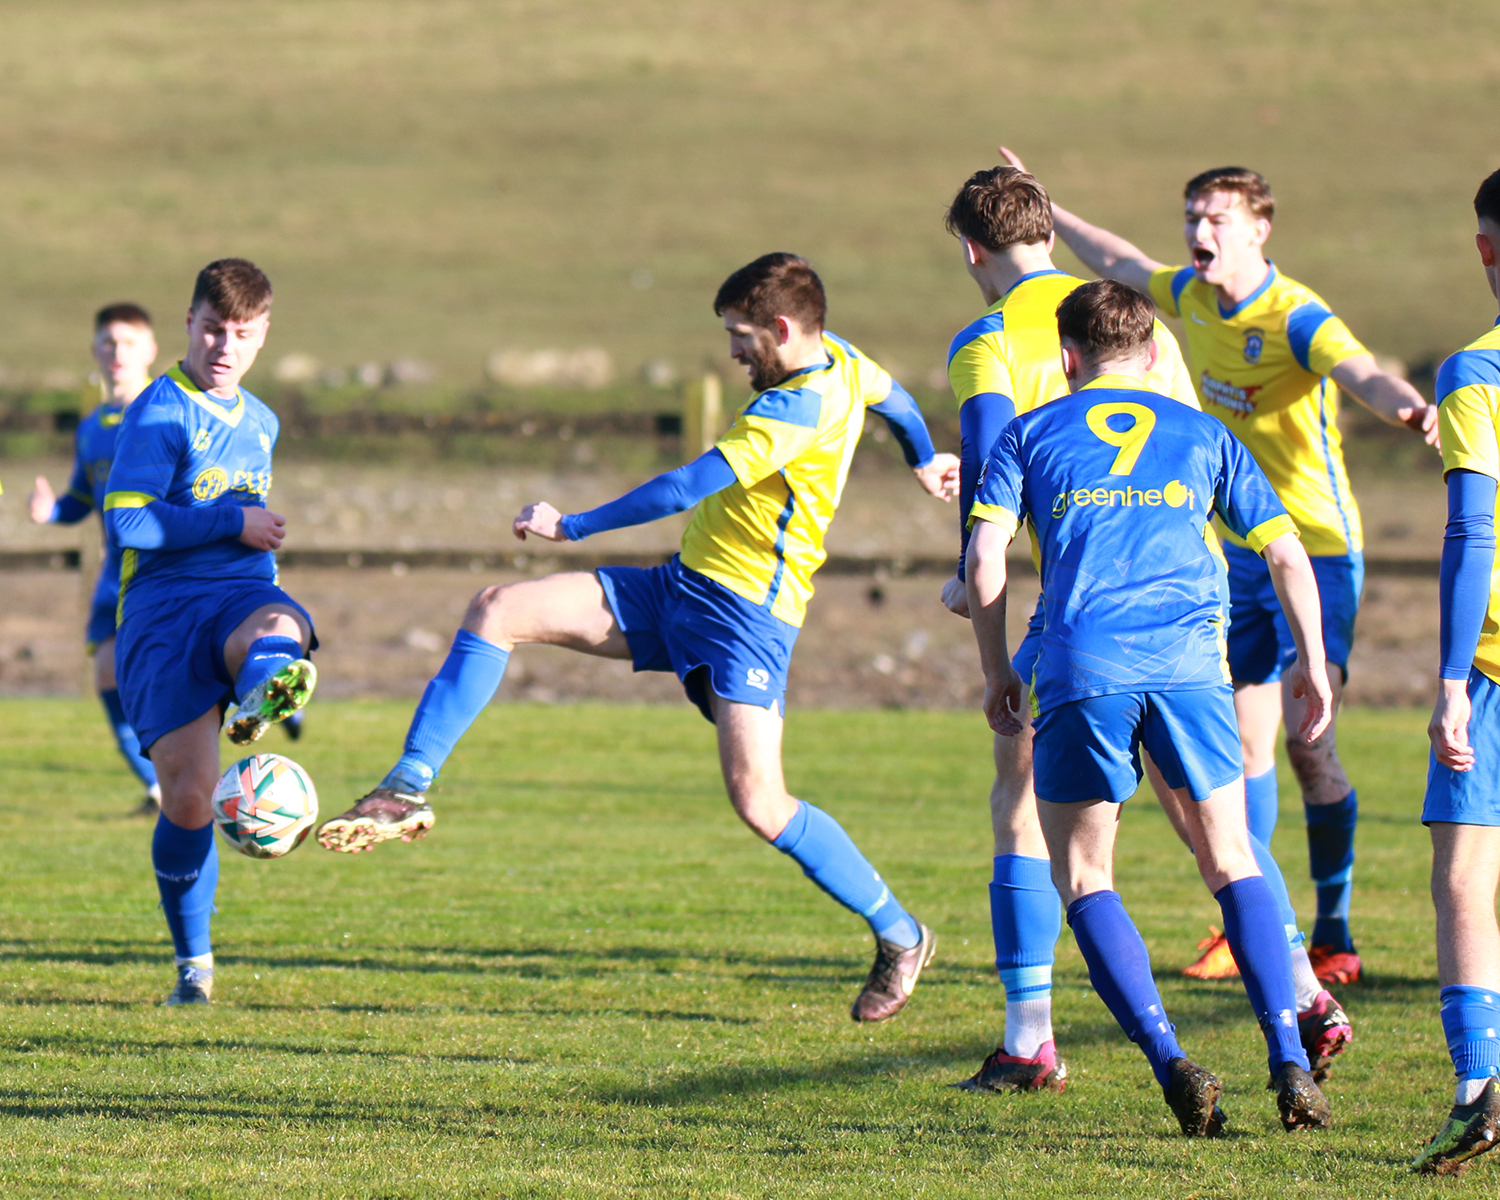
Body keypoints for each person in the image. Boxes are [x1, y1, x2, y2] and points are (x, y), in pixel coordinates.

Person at [317, 253, 959, 1022]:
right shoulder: (844, 357)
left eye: (741, 335)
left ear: (784, 330)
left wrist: (573, 524)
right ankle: (403, 789)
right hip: (680, 587)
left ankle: (901, 933)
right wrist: (923, 460)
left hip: (749, 619)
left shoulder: (797, 409)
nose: (731, 352)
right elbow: (899, 400)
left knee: (759, 801)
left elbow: (687, 484)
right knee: (497, 608)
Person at [940, 165, 1349, 1094]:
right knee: (1221, 837)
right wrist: (1308, 660)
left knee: (1041, 823)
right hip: (1188, 626)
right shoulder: (1161, 339)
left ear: (972, 249)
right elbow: (1217, 482)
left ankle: (1032, 1035)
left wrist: (977, 599)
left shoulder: (991, 343)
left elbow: (988, 507)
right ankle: (1298, 1009)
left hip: (1073, 628)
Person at [1003, 148, 1437, 987]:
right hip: (1225, 555)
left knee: (1311, 750)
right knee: (1245, 745)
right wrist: (1041, 206)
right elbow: (1117, 262)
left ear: (1260, 230)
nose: (1200, 231)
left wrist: (1406, 407)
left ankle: (1333, 929)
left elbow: (1361, 372)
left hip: (1311, 548)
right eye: (1192, 217)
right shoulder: (1187, 297)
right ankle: (1256, 926)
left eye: (1218, 219)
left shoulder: (1296, 315)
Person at [103, 258, 318, 1006]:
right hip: (162, 612)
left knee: (277, 621)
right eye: (214, 329)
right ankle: (194, 967)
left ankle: (265, 687)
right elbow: (128, 518)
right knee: (190, 799)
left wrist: (249, 539)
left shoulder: (263, 420)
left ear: (263, 337)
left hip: (235, 595)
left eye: (244, 334)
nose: (226, 347)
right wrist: (237, 520)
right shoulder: (161, 413)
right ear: (189, 325)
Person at [1412, 167, 1500, 1175]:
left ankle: (1478, 1090)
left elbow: (1473, 530)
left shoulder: (1478, 373)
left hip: (1490, 667)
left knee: (1468, 881)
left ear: (1485, 250)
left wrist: (1444, 681)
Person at [28, 304, 161, 812]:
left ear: (150, 350)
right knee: (108, 675)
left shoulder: (165, 411)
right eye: (108, 342)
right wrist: (52, 511)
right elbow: (82, 499)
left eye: (128, 342)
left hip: (161, 571)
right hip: (114, 576)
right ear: (94, 351)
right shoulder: (91, 428)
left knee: (173, 673)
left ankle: (264, 687)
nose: (117, 352)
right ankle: (159, 788)